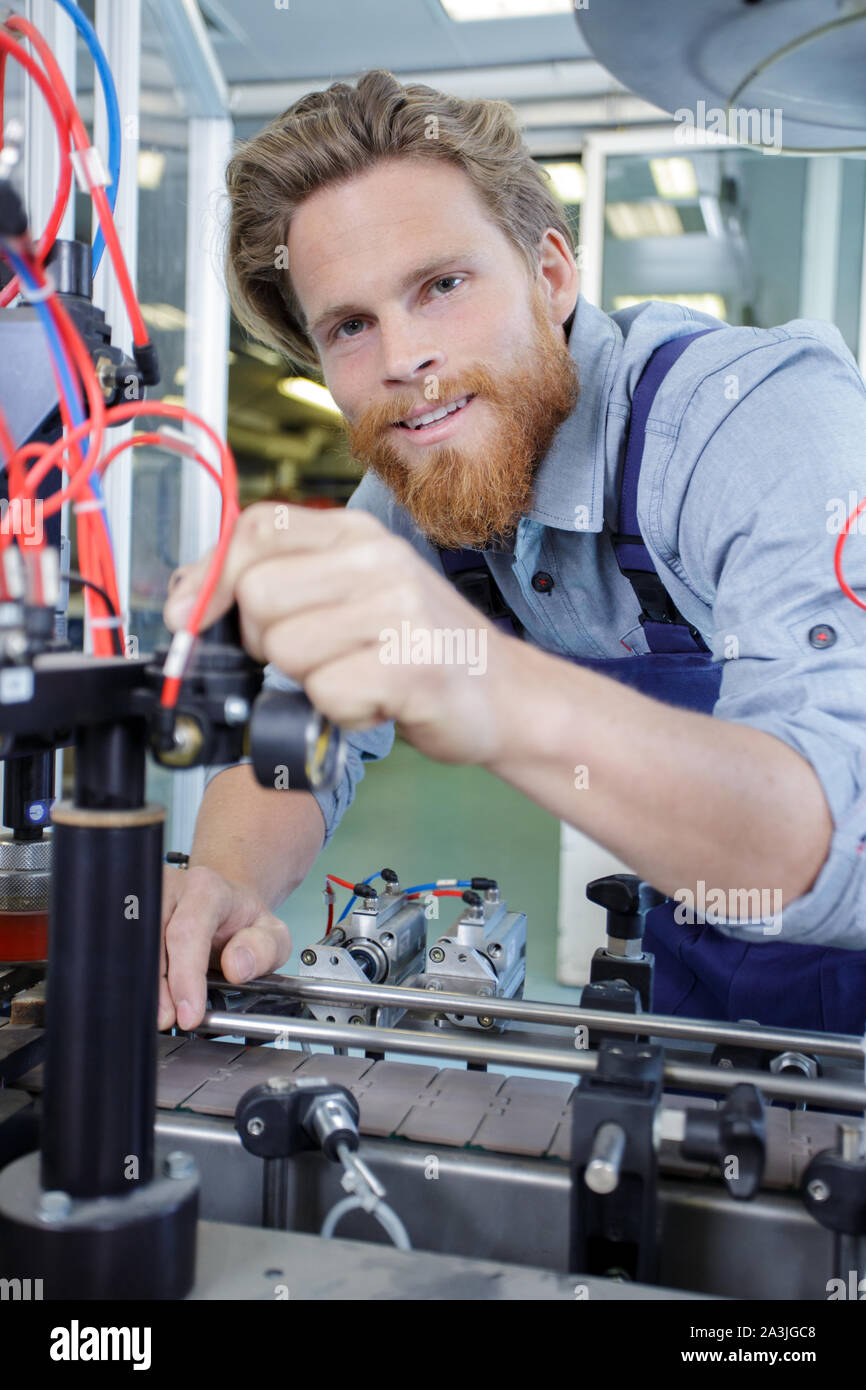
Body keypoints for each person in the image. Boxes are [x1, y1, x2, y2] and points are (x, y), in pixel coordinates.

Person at [158, 69, 866, 1036]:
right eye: (351, 326)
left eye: (442, 285)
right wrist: (225, 880)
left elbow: (845, 828)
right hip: (701, 965)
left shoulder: (751, 423)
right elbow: (302, 732)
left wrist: (484, 686)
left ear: (552, 276)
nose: (404, 358)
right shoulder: (417, 487)